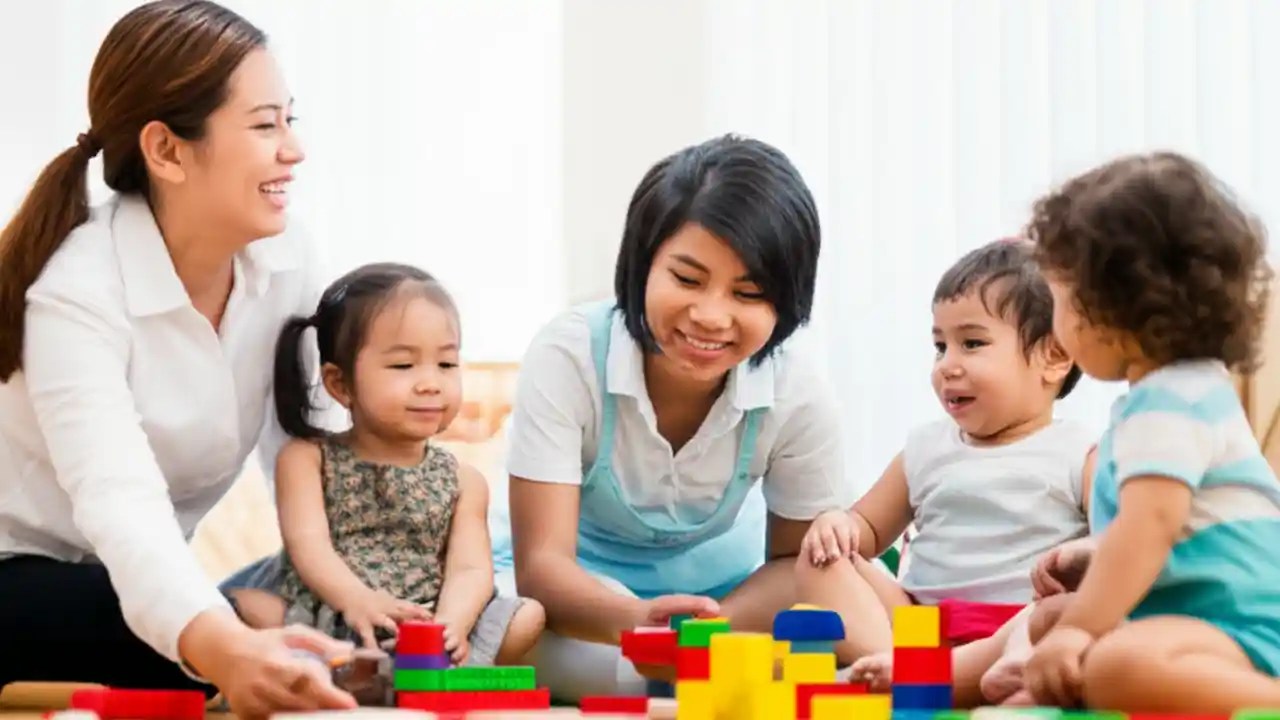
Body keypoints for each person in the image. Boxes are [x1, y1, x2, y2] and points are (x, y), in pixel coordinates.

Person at [0, 2, 357, 717]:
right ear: (166, 151)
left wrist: (368, 587)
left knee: (302, 626)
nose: (294, 149)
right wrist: (224, 640)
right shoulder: (76, 292)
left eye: (291, 118)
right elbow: (120, 503)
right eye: (264, 125)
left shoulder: (286, 258)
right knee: (205, 633)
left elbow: (308, 450)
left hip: (140, 579)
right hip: (22, 580)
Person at [497, 134, 851, 700]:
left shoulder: (796, 389)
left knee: (842, 624)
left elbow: (795, 565)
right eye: (687, 279)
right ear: (641, 264)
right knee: (555, 653)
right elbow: (541, 566)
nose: (711, 316)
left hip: (722, 596)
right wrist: (641, 625)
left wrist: (709, 636)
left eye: (749, 292)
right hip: (571, 600)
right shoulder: (570, 354)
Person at [1022, 152, 1280, 712]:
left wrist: (1079, 631)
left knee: (1115, 662)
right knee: (1051, 623)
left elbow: (1152, 525)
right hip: (1204, 616)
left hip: (1244, 624)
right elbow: (1178, 530)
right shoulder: (1181, 393)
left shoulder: (1168, 403)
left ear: (1108, 311)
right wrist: (1094, 568)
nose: (1056, 321)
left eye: (1059, 301)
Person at [794, 238, 1095, 707]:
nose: (948, 366)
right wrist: (838, 523)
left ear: (1053, 356)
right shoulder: (926, 447)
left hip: (1015, 627)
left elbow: (1113, 547)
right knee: (820, 556)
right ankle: (894, 665)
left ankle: (927, 680)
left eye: (972, 344)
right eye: (940, 346)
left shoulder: (1080, 452)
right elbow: (867, 529)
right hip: (917, 624)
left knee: (1070, 613)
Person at [228, 262, 544, 667]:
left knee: (528, 617)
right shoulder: (307, 459)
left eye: (446, 364)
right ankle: (348, 665)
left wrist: (451, 626)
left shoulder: (464, 480)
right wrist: (357, 599)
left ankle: (402, 669)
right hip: (331, 614)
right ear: (340, 384)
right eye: (403, 365)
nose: (430, 382)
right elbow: (309, 547)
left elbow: (470, 569)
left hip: (426, 617)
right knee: (239, 606)